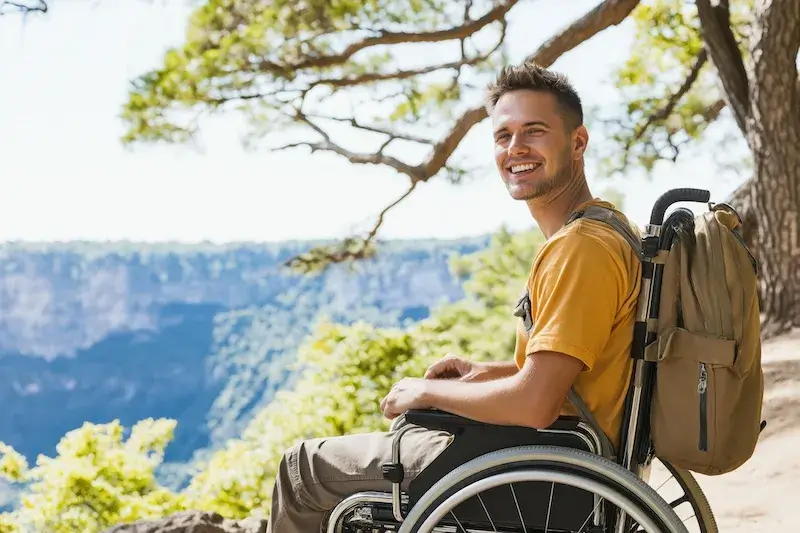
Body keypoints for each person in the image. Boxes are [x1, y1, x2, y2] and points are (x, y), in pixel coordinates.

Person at [264, 61, 642, 533]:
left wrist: (425, 391)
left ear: (578, 141)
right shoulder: (608, 229)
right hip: (557, 457)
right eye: (503, 136)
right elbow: (582, 368)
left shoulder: (579, 248)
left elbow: (535, 405)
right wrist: (483, 374)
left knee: (304, 468)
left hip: (544, 471)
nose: (515, 148)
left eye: (535, 131)